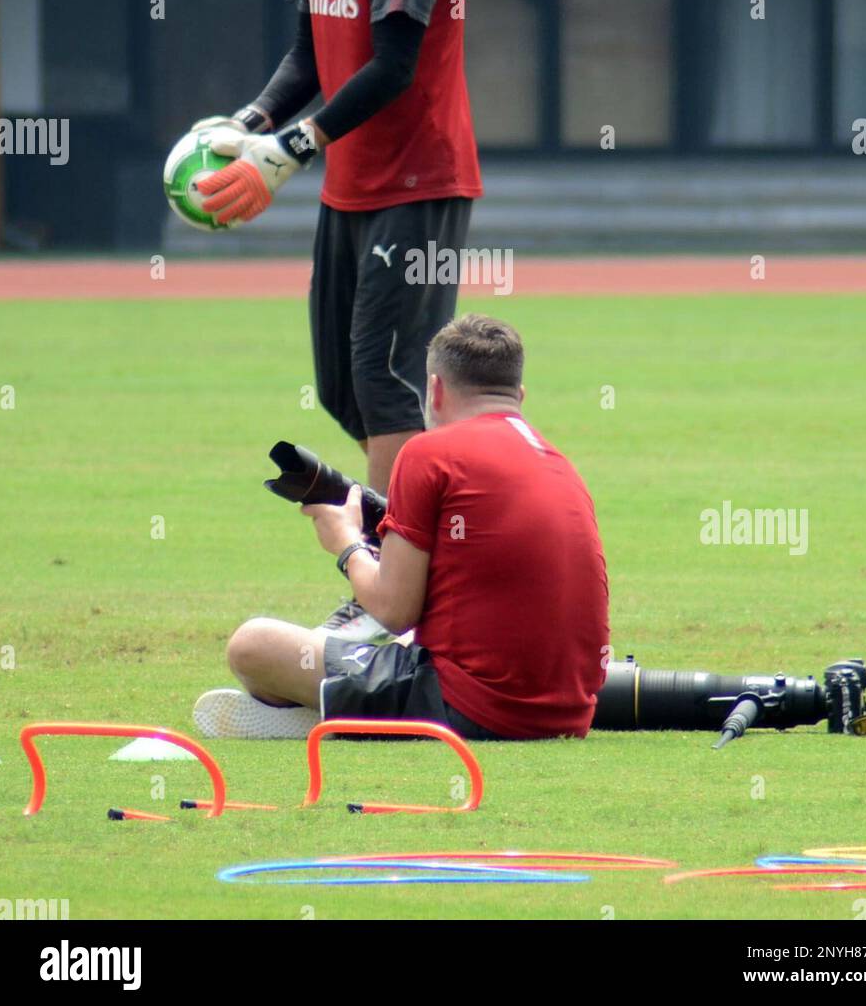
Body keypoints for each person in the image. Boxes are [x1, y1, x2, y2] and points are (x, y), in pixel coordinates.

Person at [188, 0, 483, 643]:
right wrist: (253, 119)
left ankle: (392, 600)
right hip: (353, 188)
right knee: (340, 388)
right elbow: (312, 53)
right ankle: (429, 551)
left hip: (419, 180)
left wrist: (291, 149)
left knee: (385, 379)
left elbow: (394, 64)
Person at [193, 314, 610, 742]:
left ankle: (327, 712)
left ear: (435, 389)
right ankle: (336, 706)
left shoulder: (429, 452)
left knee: (252, 644)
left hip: (470, 709)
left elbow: (393, 611)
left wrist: (346, 544)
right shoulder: (559, 462)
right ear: (518, 395)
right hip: (570, 712)